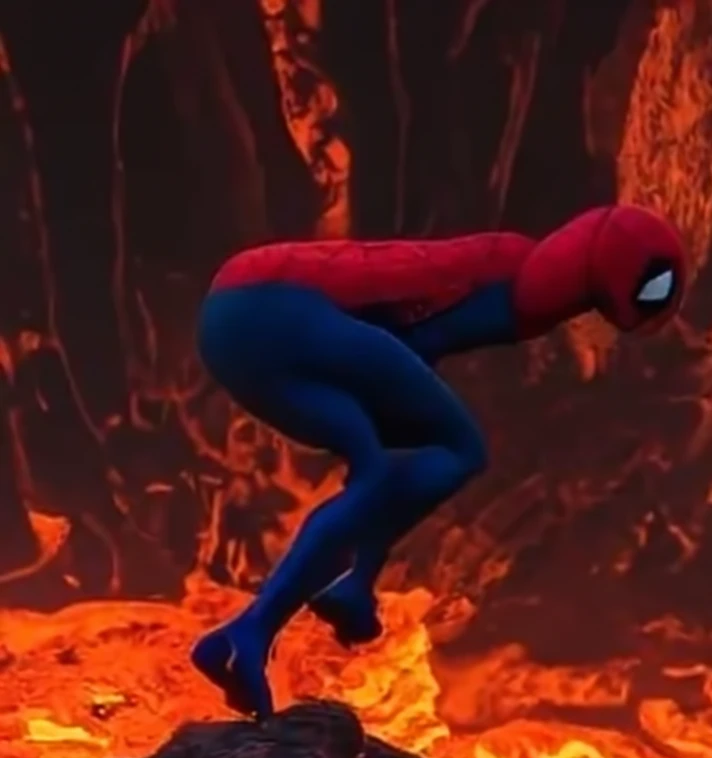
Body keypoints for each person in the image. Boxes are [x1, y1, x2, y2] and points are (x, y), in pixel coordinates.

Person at [191, 204, 686, 718]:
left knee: (375, 471)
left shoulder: (503, 278)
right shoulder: (518, 271)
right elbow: (428, 314)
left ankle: (246, 637)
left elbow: (407, 334)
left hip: (236, 323)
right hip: (275, 305)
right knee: (456, 449)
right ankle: (344, 589)